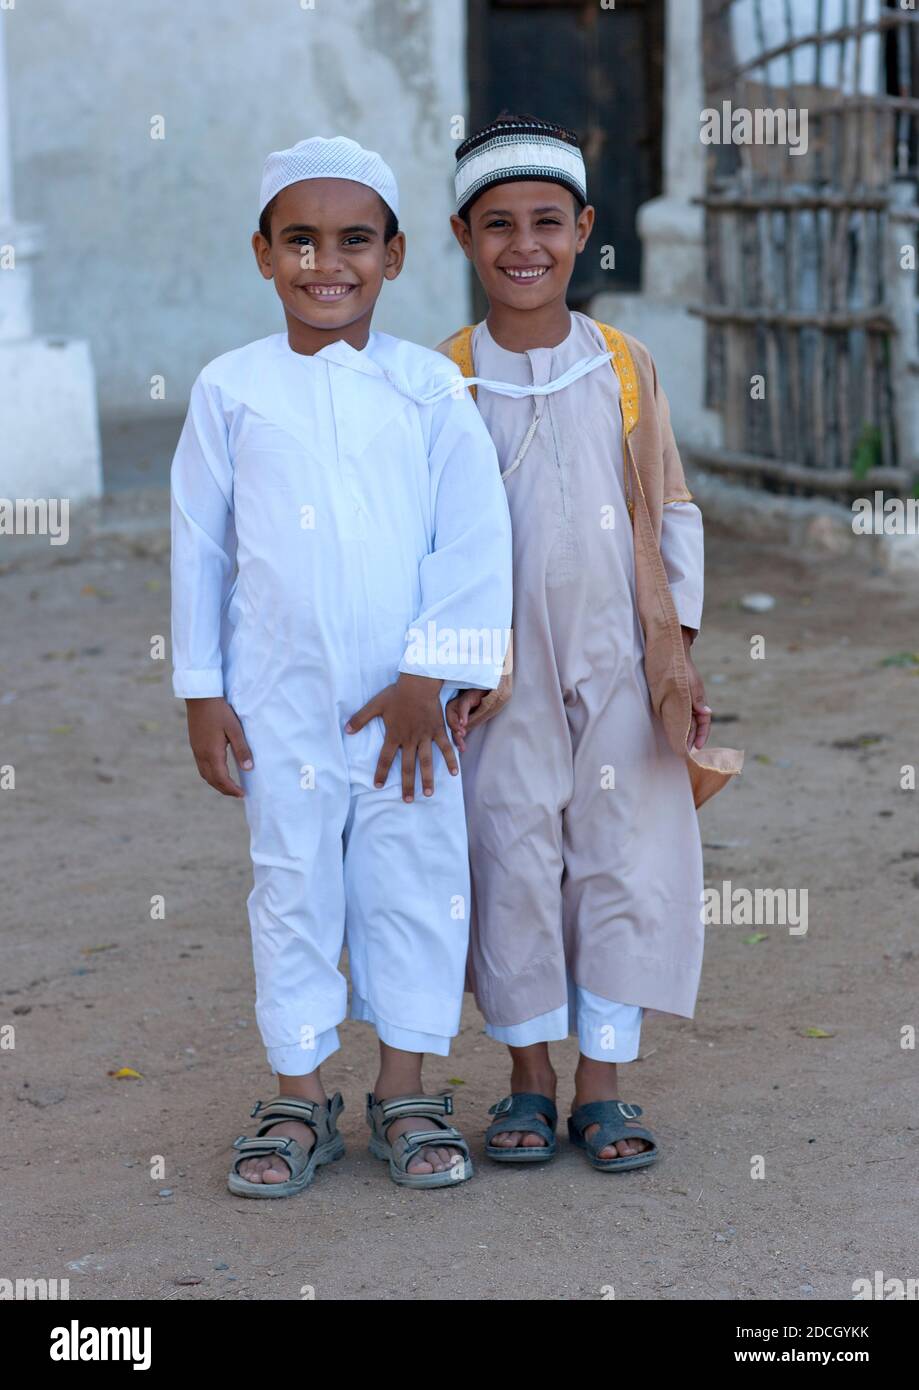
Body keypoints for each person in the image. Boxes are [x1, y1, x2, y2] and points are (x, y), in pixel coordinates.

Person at [170, 136, 512, 1195]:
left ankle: (404, 1087)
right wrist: (201, 689)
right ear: (263, 255)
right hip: (278, 701)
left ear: (396, 255)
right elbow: (201, 544)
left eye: (354, 241)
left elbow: (473, 536)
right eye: (301, 241)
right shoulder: (231, 390)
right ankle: (300, 1091)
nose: (329, 263)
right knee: (292, 884)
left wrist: (430, 675)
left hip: (408, 710)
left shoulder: (429, 389)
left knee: (412, 881)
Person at [438, 115, 743, 1172]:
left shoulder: (623, 364)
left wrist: (679, 648)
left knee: (620, 855)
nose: (524, 245)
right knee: (511, 851)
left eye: (547, 223)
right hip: (498, 667)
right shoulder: (442, 380)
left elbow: (672, 507)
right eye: (498, 225)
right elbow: (424, 536)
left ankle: (601, 1085)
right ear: (462, 236)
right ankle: (526, 1077)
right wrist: (446, 660)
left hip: (621, 655)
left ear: (584, 231)